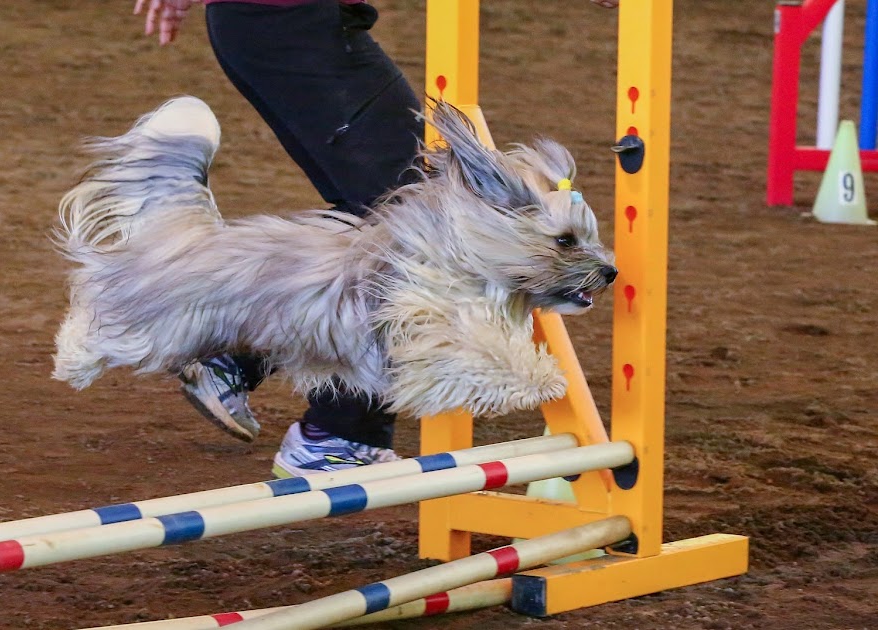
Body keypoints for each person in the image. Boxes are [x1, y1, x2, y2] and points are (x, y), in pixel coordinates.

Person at [131, 0, 617, 478]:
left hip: (293, 24)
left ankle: (247, 364)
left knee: (393, 219)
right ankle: (325, 430)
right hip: (289, 23)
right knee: (408, 222)